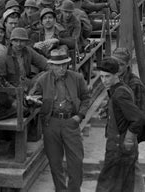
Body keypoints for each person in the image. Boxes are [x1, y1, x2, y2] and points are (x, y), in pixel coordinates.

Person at [27, 49, 91, 192]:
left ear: (68, 64)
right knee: (55, 163)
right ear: (51, 65)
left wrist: (79, 116)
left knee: (76, 162)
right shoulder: (43, 79)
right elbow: (33, 96)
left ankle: (74, 190)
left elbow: (86, 98)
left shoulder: (77, 78)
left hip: (71, 122)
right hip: (51, 123)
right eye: (57, 65)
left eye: (64, 65)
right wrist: (31, 101)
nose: (61, 68)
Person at [96, 58, 145, 192]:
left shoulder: (119, 93)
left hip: (119, 147)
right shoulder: (120, 88)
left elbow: (139, 118)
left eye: (107, 76)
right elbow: (123, 112)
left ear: (116, 75)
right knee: (124, 186)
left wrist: (128, 140)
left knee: (106, 186)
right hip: (121, 146)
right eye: (101, 77)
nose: (104, 80)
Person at [112, 48, 145, 192]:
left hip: (129, 132)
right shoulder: (116, 80)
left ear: (127, 65)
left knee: (131, 166)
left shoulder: (135, 85)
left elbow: (140, 115)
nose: (117, 67)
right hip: (119, 130)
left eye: (121, 64)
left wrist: (130, 137)